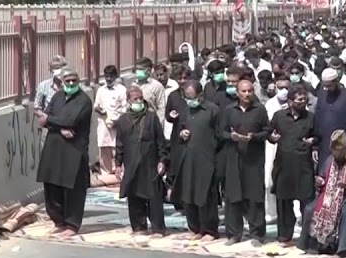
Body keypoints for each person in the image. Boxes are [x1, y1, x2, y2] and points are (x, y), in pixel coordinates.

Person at [35, 68, 93, 239]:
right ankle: (59, 221)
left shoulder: (84, 101)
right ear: (62, 81)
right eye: (67, 81)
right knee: (51, 185)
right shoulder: (58, 97)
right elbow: (44, 118)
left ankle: (72, 224)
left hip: (73, 150)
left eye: (74, 80)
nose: (70, 84)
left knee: (72, 188)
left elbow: (71, 120)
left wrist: (52, 122)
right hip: (54, 147)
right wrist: (61, 128)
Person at [218, 78, 272, 244]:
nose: (247, 94)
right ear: (237, 92)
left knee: (254, 197)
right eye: (243, 91)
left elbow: (267, 131)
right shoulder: (229, 110)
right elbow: (221, 132)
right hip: (234, 158)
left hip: (253, 159)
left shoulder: (260, 110)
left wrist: (254, 137)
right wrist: (231, 136)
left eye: (249, 91)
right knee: (233, 196)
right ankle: (234, 234)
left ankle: (257, 234)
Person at [269, 85, 321, 250]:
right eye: (299, 99)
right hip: (284, 165)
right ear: (290, 101)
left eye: (304, 99)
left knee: (306, 203)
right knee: (284, 203)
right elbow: (269, 134)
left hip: (303, 165)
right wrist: (272, 137)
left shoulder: (311, 117)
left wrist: (313, 142)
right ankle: (284, 235)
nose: (302, 101)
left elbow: (318, 136)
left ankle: (307, 238)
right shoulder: (279, 116)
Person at [113, 85, 168, 239]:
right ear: (128, 101)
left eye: (140, 98)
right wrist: (118, 164)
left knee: (154, 197)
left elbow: (160, 142)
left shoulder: (151, 118)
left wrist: (162, 160)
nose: (138, 101)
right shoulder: (123, 120)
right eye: (135, 99)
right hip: (132, 164)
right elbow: (120, 143)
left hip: (150, 163)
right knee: (134, 195)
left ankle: (158, 228)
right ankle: (138, 225)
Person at [173, 80, 223, 241]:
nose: (189, 100)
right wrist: (182, 134)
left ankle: (209, 230)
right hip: (188, 158)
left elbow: (220, 135)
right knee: (188, 194)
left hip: (207, 159)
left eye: (192, 96)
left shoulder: (212, 110)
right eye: (186, 97)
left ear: (200, 95)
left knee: (206, 196)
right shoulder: (185, 110)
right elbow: (179, 131)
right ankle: (195, 228)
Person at [311, 131, 346, 257]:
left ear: (345, 150)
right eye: (333, 153)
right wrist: (319, 181)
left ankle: (344, 249)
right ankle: (315, 245)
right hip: (329, 195)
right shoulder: (330, 160)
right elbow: (322, 178)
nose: (335, 156)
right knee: (310, 208)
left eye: (338, 153)